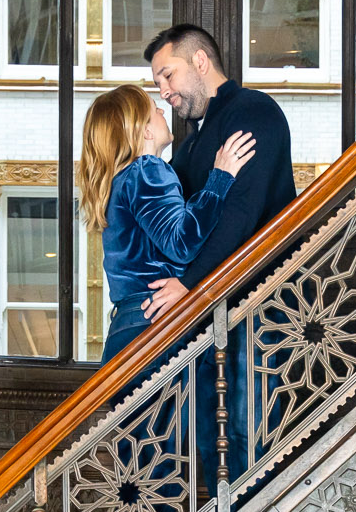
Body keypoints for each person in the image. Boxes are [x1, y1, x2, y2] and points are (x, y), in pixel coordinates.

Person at [142, 23, 297, 490]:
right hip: (212, 311)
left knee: (248, 431)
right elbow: (176, 223)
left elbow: (242, 214)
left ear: (201, 62)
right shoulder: (191, 144)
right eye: (157, 84)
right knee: (210, 439)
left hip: (258, 304)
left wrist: (188, 284)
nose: (164, 91)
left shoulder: (253, 112)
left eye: (167, 76)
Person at [80, 83, 258, 364]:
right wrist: (220, 178)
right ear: (144, 130)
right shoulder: (147, 170)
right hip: (153, 324)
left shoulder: (122, 180)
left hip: (130, 325)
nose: (162, 109)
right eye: (154, 110)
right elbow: (181, 242)